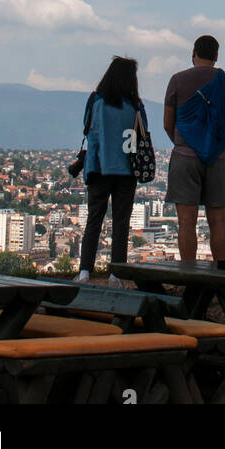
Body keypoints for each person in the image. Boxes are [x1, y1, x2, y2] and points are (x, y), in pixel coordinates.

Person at [164, 35, 225, 261]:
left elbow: (168, 123)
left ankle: (189, 277)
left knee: (187, 222)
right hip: (218, 158)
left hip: (185, 156)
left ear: (193, 53)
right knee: (218, 221)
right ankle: (221, 276)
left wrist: (184, 143)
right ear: (216, 56)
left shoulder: (177, 80)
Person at [78, 55, 147, 284]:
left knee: (94, 220)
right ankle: (116, 272)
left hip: (98, 167)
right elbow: (142, 133)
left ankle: (85, 271)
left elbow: (88, 129)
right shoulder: (135, 105)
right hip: (127, 170)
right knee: (121, 222)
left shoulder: (96, 101)